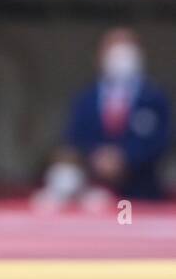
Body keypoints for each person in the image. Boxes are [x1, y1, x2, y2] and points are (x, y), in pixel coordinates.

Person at [59, 28, 170, 202]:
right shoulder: (85, 99)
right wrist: (97, 158)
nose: (121, 58)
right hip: (94, 194)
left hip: (143, 195)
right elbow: (74, 137)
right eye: (114, 50)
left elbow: (162, 140)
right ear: (100, 56)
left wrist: (125, 159)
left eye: (127, 50)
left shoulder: (154, 98)